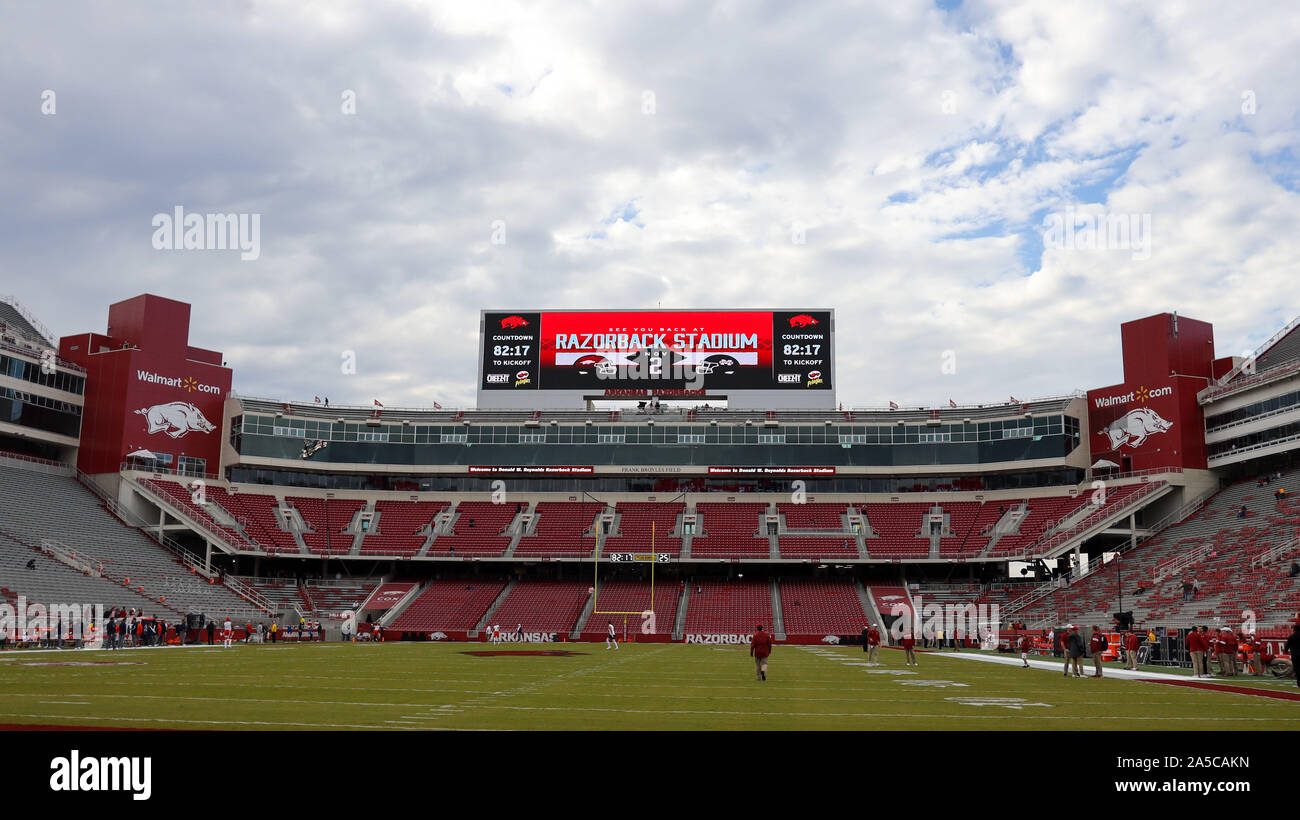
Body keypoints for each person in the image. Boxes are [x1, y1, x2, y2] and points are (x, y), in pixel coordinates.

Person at [1287, 624, 1300, 689]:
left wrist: (1286, 650)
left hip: (1295, 655)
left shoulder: (1291, 637)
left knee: (1297, 669)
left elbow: (1287, 646)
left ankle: (1299, 683)